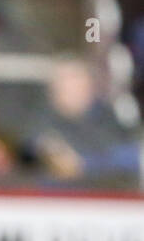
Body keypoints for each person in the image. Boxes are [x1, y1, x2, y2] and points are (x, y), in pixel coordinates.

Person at [19, 56, 141, 191]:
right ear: (52, 91)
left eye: (78, 84)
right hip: (54, 204)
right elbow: (27, 163)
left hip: (107, 202)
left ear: (91, 88)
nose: (73, 91)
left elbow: (134, 156)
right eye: (65, 86)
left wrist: (85, 164)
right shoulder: (40, 124)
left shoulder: (111, 120)